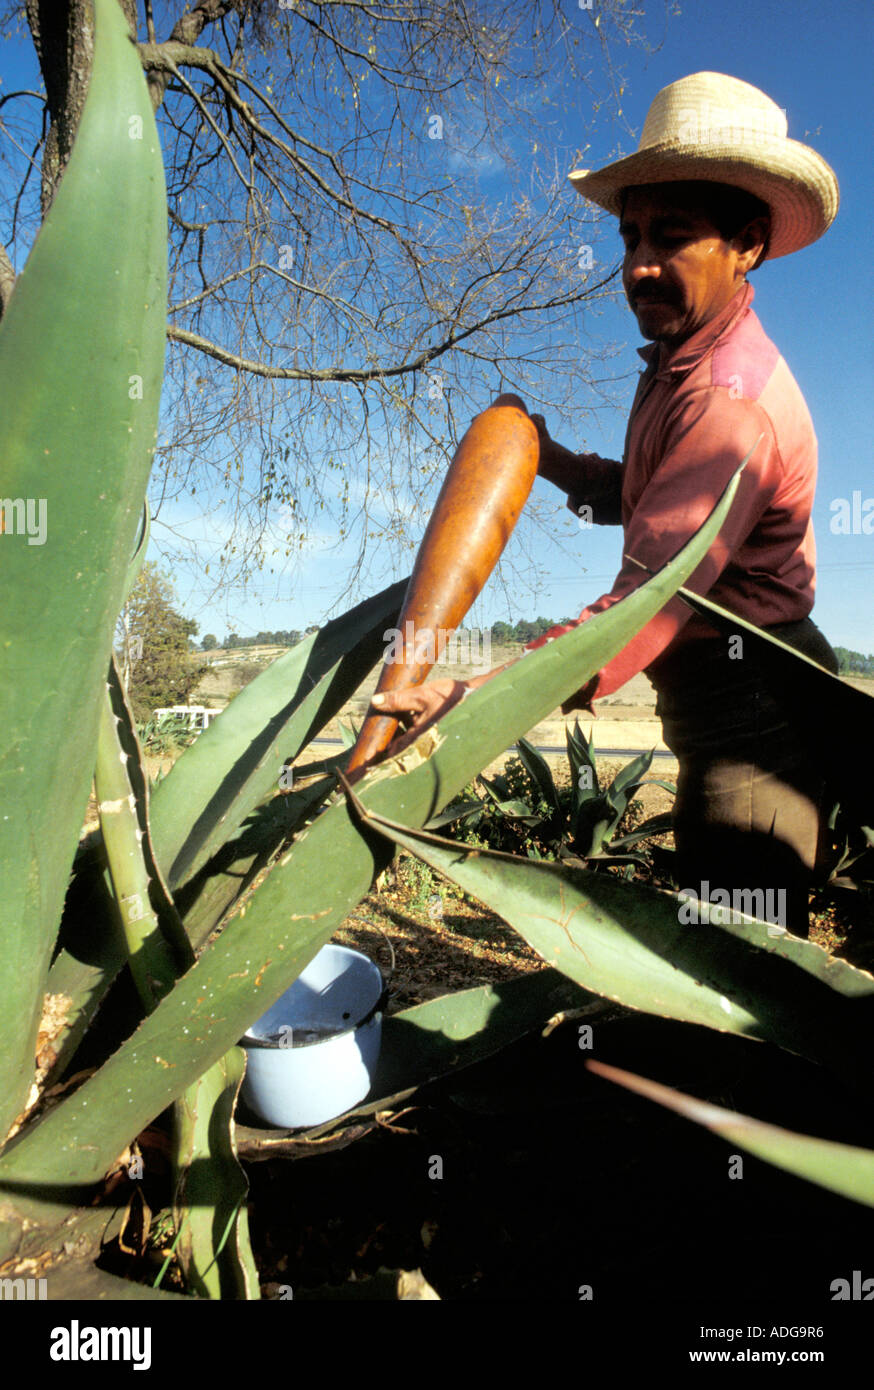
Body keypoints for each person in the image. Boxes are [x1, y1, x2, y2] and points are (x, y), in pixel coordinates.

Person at [368, 72, 840, 938]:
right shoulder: (681, 361)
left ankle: (744, 1076)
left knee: (742, 955)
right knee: (714, 935)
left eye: (672, 238)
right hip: (713, 703)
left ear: (748, 244)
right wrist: (547, 462)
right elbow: (645, 497)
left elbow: (639, 611)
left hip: (754, 718)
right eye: (631, 239)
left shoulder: (729, 408)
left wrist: (471, 699)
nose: (639, 267)